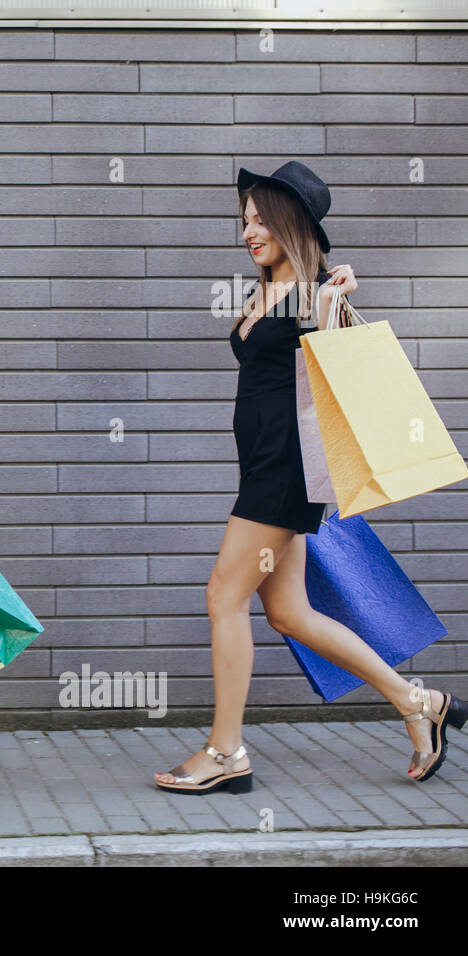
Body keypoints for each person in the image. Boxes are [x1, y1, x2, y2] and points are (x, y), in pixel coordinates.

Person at [154, 161, 466, 794]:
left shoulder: (316, 292)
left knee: (223, 597)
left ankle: (226, 751)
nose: (248, 231)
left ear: (292, 221)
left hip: (285, 474)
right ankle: (419, 703)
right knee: (291, 613)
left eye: (261, 219)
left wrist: (335, 296)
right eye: (244, 221)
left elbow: (333, 376)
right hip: (265, 468)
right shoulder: (270, 287)